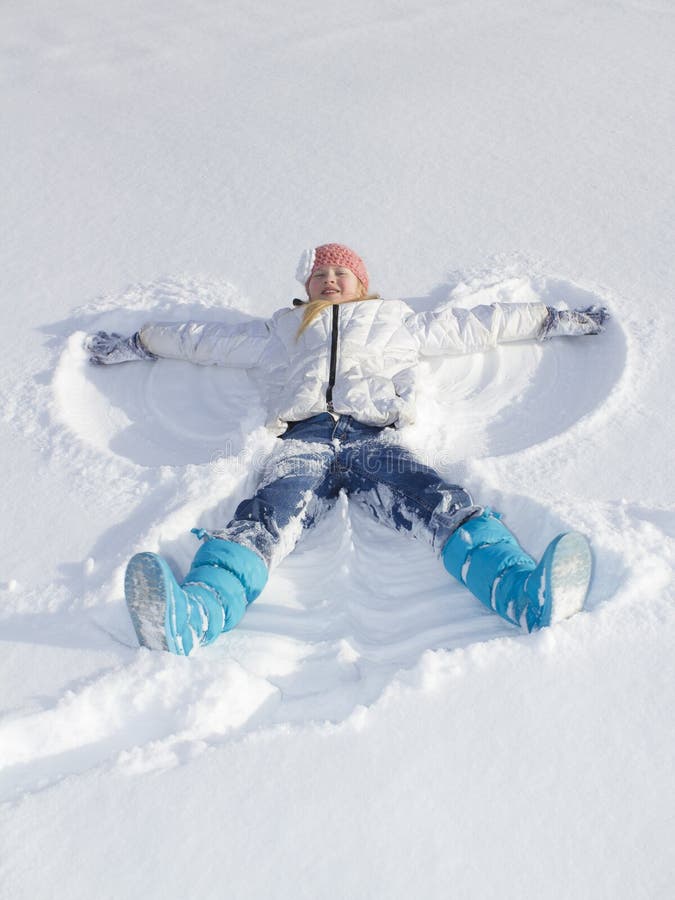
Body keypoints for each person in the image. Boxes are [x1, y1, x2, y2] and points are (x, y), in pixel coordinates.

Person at [85, 243, 609, 656]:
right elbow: (204, 340)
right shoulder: (285, 330)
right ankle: (192, 618)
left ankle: (525, 596)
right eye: (319, 275)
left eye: (341, 273)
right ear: (307, 288)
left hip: (372, 436)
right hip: (303, 438)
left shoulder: (396, 321)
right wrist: (141, 342)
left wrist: (550, 319)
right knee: (266, 518)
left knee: (437, 501)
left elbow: (476, 325)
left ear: (362, 284)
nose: (330, 280)